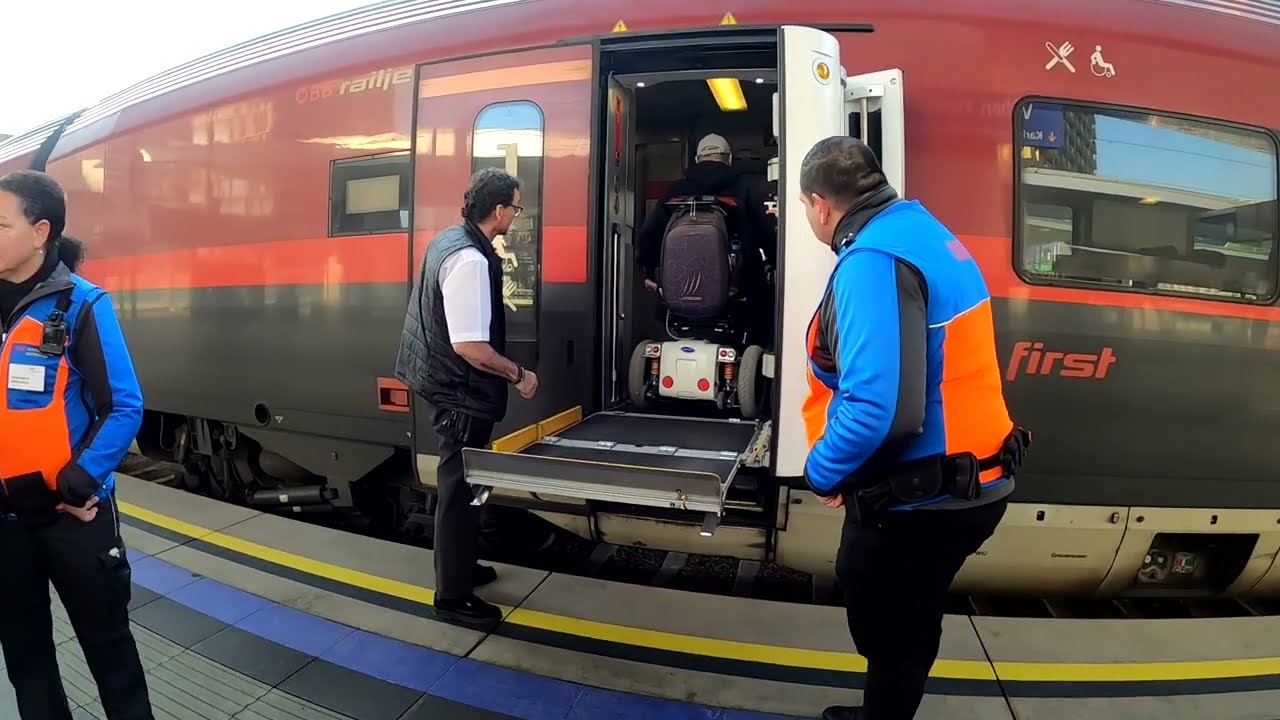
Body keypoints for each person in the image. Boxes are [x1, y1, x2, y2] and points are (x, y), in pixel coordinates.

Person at [796, 137, 1030, 720]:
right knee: (912, 620)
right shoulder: (927, 233)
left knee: (886, 623)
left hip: (920, 499)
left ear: (821, 205)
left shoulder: (872, 260)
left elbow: (877, 409)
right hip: (979, 478)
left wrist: (822, 471)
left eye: (804, 208)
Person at [0, 170, 153, 719]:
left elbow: (125, 406)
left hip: (73, 516)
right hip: (5, 522)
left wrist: (81, 483)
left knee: (109, 650)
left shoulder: (83, 306)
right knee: (26, 659)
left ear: (40, 231)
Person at [394, 167, 539, 624]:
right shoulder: (471, 261)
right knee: (459, 490)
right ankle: (452, 598)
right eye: (516, 206)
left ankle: (460, 567)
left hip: (446, 382)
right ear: (499, 210)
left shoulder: (448, 239)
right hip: (461, 392)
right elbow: (471, 348)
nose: (517, 214)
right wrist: (519, 374)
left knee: (462, 484)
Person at [635, 134, 776, 341]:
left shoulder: (676, 191)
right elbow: (767, 235)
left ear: (697, 160)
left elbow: (650, 234)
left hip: (679, 298)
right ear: (728, 159)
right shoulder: (747, 189)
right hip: (739, 297)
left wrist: (649, 271)